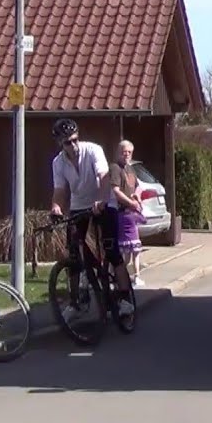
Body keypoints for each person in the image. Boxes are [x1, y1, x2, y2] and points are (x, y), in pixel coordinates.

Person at [49, 118, 134, 318]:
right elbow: (60, 189)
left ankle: (124, 299)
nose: (73, 145)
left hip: (104, 202)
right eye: (68, 142)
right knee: (74, 255)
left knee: (111, 251)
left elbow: (104, 176)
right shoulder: (58, 163)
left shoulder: (93, 150)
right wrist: (55, 206)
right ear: (61, 144)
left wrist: (102, 200)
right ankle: (77, 301)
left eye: (75, 139)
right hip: (80, 205)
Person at [108, 140, 147, 288]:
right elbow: (116, 191)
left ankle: (125, 277)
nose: (126, 155)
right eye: (124, 151)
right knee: (126, 250)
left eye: (129, 152)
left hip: (131, 214)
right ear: (118, 152)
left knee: (132, 250)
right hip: (121, 213)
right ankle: (117, 278)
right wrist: (130, 203)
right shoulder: (115, 168)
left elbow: (138, 187)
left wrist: (136, 196)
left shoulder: (130, 169)